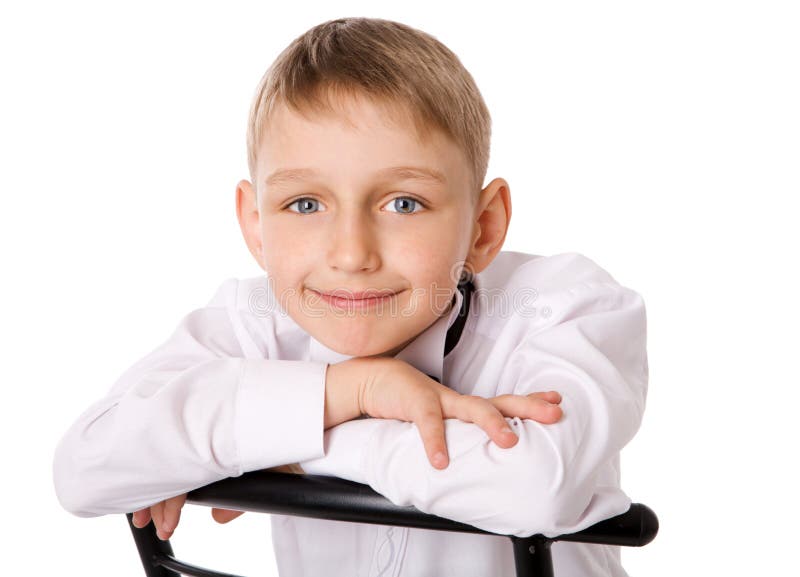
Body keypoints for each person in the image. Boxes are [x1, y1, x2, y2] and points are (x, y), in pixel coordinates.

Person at [52, 16, 649, 577]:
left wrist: (282, 441)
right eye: (305, 205)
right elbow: (86, 467)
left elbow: (532, 487)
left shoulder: (566, 307)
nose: (351, 253)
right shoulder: (248, 322)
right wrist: (349, 391)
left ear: (484, 227)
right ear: (256, 225)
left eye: (403, 203)